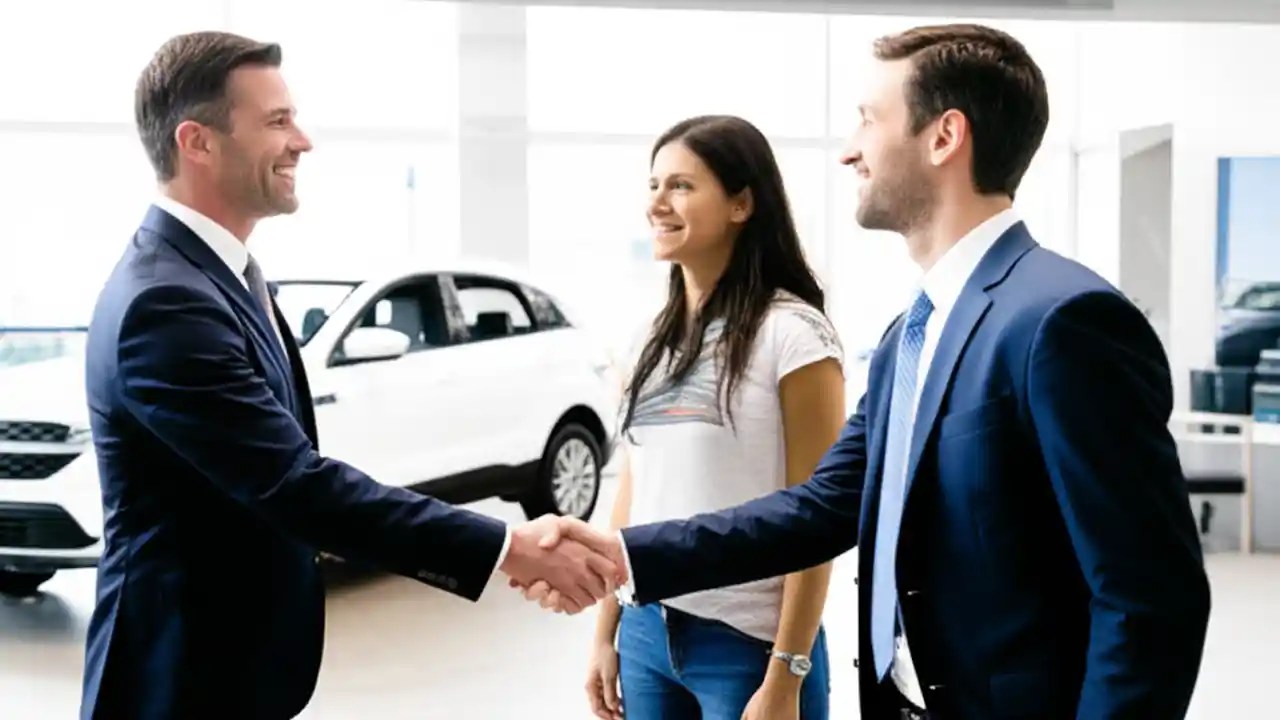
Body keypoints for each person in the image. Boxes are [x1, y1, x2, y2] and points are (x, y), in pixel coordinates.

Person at [525, 23, 1212, 719]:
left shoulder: (1064, 320)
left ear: (945, 137)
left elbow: (1148, 598)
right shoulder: (907, 336)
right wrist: (621, 553)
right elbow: (820, 508)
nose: (850, 149)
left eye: (867, 120)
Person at [80, 31, 619, 720]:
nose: (302, 141)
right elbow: (295, 484)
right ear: (198, 141)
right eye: (277, 121)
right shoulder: (166, 301)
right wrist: (509, 547)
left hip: (233, 665)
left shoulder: (225, 274)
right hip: (177, 676)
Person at [581, 116, 846, 720]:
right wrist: (604, 632)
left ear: (742, 203)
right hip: (647, 633)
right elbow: (635, 489)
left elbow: (820, 518)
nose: (657, 202)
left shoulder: (795, 335)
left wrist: (789, 672)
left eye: (680, 185)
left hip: (748, 645)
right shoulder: (651, 338)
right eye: (653, 185)